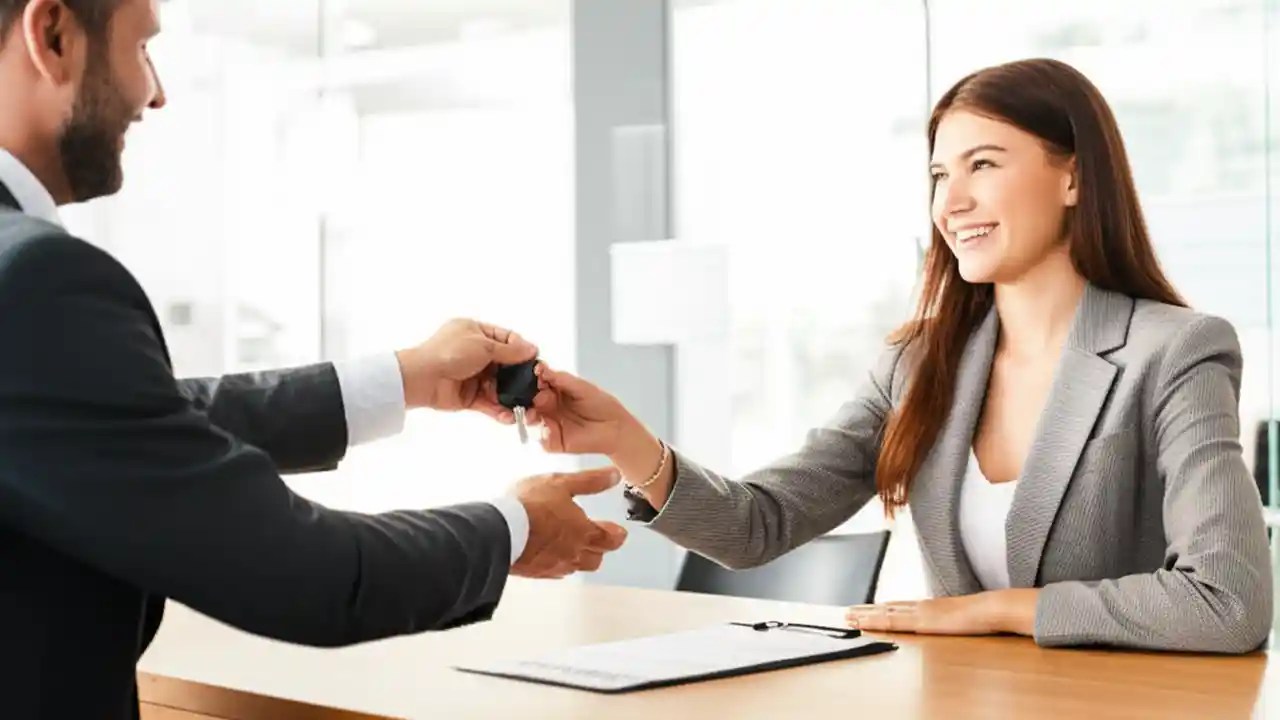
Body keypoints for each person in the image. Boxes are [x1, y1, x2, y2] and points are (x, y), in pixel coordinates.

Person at [0, 1, 626, 717]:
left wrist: (406, 378)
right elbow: (304, 572)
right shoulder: (35, 278)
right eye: (143, 49)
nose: (156, 92)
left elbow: (122, 426)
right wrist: (514, 528)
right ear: (53, 36)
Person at [531, 57, 1273, 654]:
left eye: (984, 164)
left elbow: (1229, 601)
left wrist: (1000, 610)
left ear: (1074, 177)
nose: (951, 202)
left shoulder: (1173, 351)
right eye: (940, 176)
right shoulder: (918, 363)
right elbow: (759, 525)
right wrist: (624, 440)